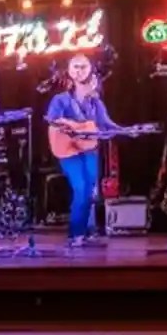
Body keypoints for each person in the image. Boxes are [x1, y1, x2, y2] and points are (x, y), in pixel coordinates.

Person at [46, 54, 124, 247]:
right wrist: (74, 128)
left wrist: (129, 130)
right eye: (76, 67)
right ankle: (75, 234)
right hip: (67, 149)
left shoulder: (96, 104)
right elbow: (52, 120)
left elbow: (107, 124)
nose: (94, 85)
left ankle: (88, 230)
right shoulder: (61, 100)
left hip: (89, 149)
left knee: (90, 190)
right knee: (80, 187)